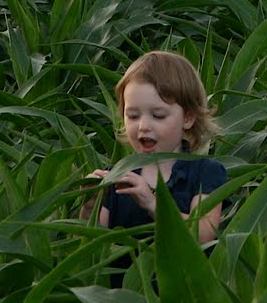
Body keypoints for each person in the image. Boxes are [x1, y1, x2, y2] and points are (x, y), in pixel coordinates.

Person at [86, 50, 225, 245]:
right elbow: (88, 246)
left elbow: (202, 234)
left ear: (188, 117)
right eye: (133, 116)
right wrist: (90, 207)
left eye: (158, 115)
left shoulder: (205, 173)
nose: (143, 126)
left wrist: (153, 204)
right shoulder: (117, 178)